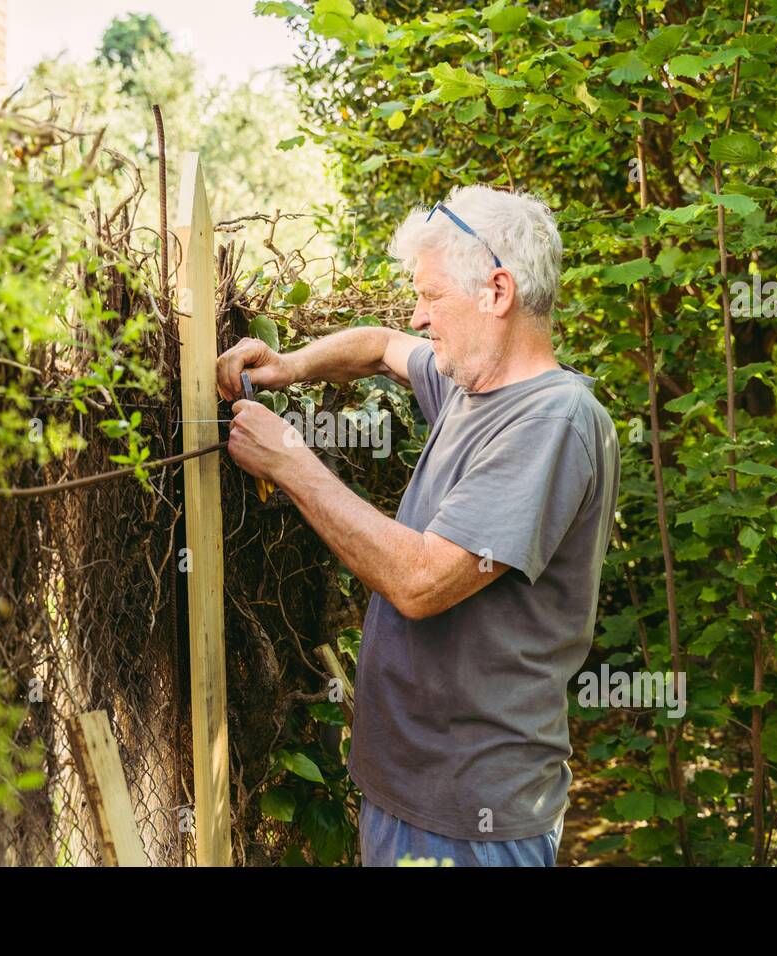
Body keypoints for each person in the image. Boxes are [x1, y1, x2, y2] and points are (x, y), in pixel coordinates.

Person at [216, 184, 620, 866]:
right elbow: (378, 347)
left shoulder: (551, 422)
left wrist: (288, 458)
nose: (419, 316)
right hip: (408, 796)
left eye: (432, 297)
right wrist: (292, 365)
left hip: (470, 820)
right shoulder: (470, 385)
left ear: (497, 291)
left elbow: (422, 579)